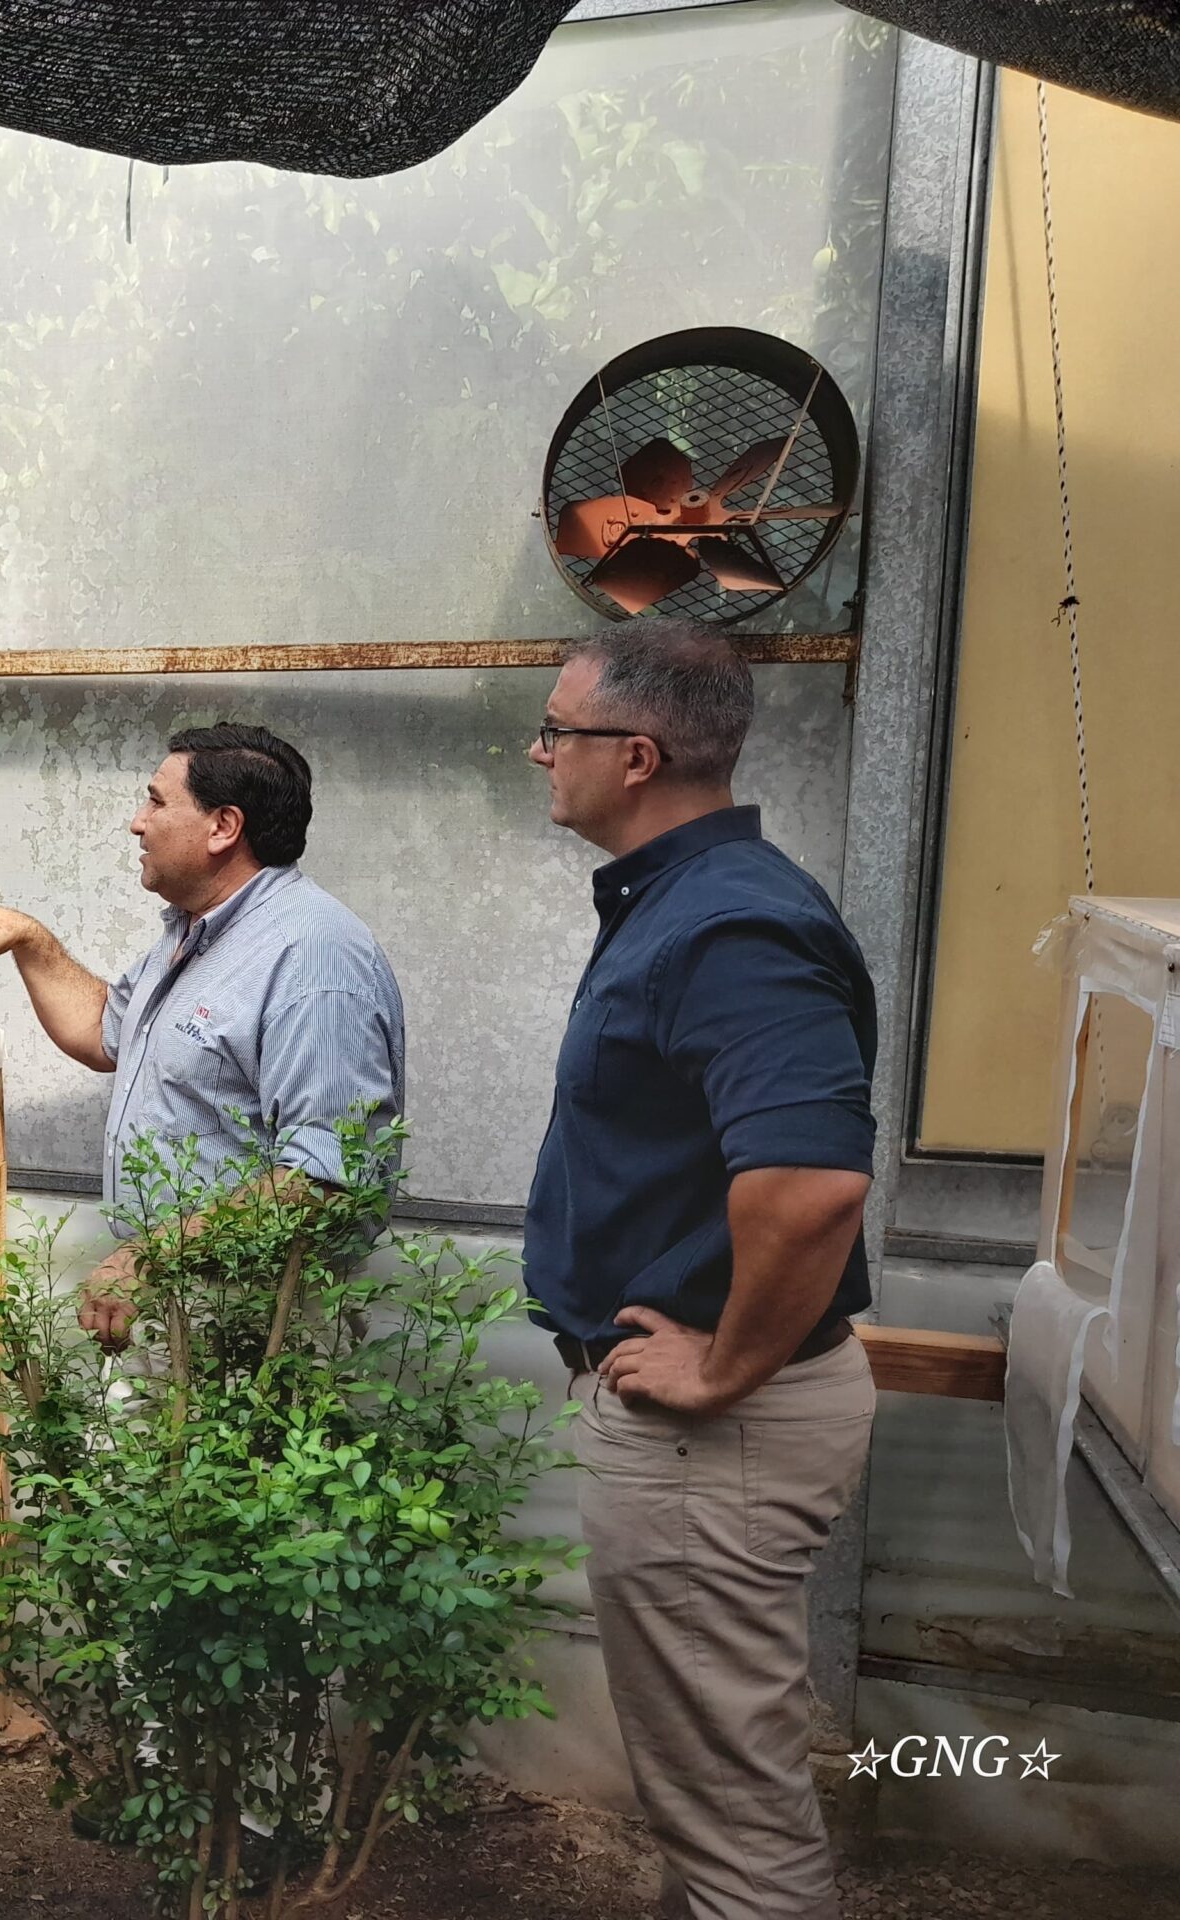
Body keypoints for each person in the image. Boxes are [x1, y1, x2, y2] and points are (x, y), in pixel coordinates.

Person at [524, 618, 878, 1920]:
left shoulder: (729, 923)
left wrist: (726, 1368)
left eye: (554, 732)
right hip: (705, 1430)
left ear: (635, 754)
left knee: (736, 1834)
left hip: (713, 1435)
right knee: (709, 1798)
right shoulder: (686, 902)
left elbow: (811, 1181)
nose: (537, 753)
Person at [0, 722, 404, 1346]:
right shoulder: (198, 930)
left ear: (223, 827)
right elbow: (103, 1032)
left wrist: (149, 1256)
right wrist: (26, 936)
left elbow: (325, 1182)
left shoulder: (312, 959)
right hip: (182, 1289)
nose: (137, 822)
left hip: (257, 1317)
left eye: (157, 801)